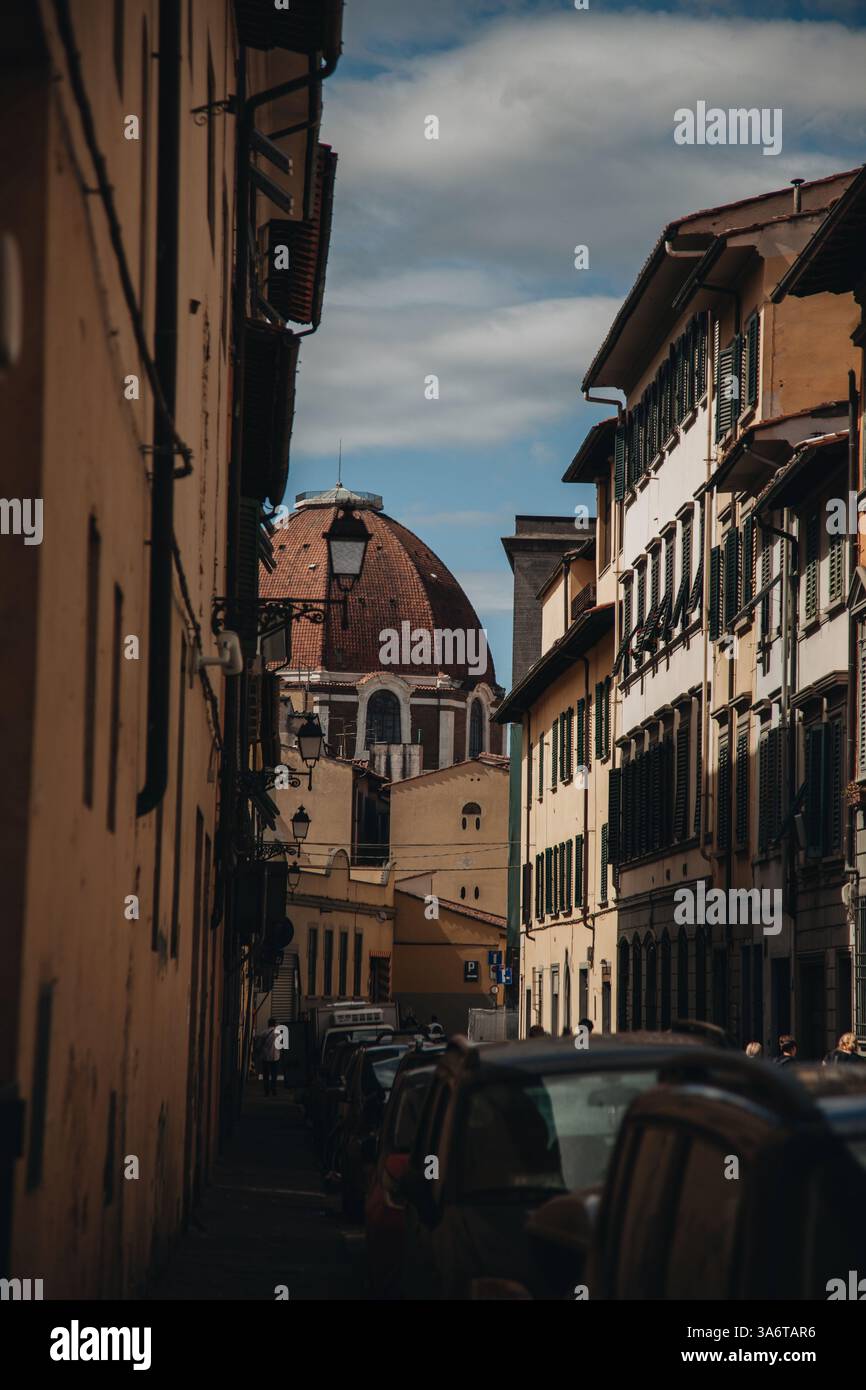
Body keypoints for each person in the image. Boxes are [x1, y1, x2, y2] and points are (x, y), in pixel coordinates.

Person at [261, 1017, 281, 1095]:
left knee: (266, 1075)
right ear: (275, 1024)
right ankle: (274, 1090)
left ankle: (266, 1091)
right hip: (275, 1056)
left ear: (268, 1024)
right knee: (274, 1075)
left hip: (266, 1057)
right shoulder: (278, 1033)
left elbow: (260, 1044)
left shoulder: (264, 1033)